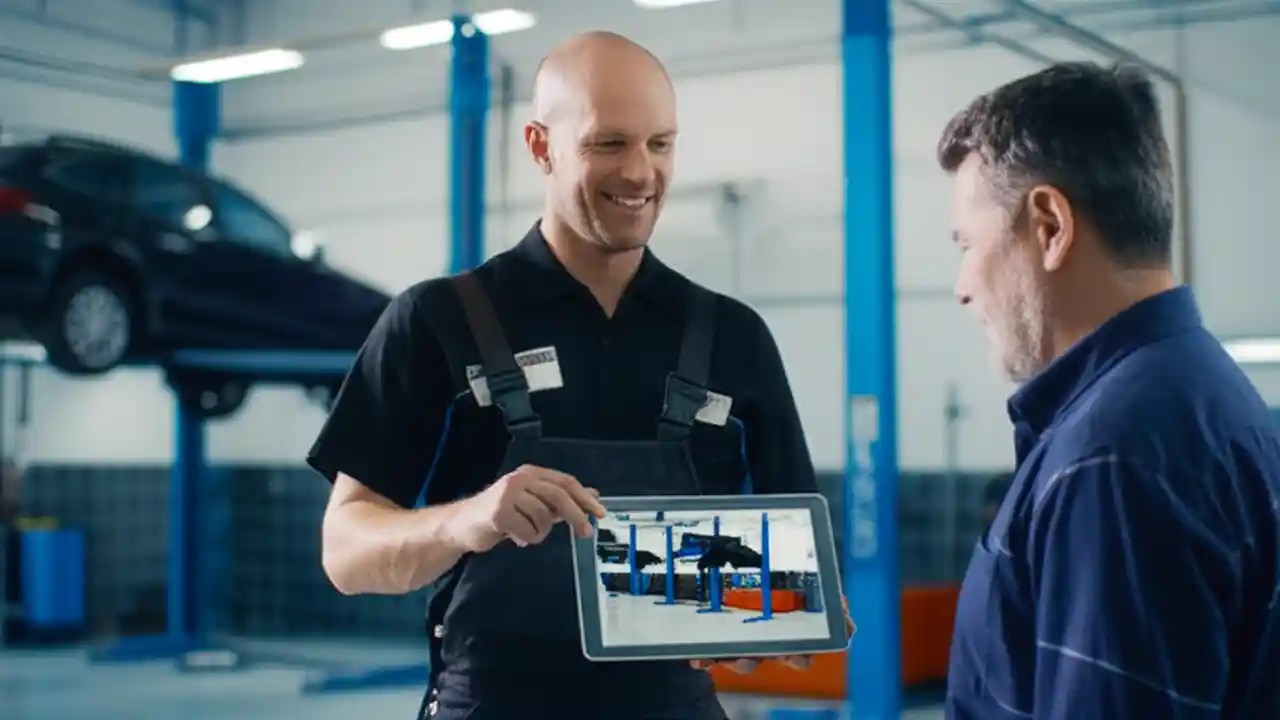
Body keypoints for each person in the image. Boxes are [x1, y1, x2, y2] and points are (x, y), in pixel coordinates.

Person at [307, 31, 844, 720]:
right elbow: (345, 553)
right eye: (609, 144)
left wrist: (774, 620)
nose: (641, 173)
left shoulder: (732, 337)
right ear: (541, 145)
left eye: (661, 143)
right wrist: (466, 521)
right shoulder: (437, 321)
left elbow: (779, 582)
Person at [937, 61, 1280, 719]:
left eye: (966, 244)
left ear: (1050, 227)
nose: (962, 286)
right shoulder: (1197, 391)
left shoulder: (1114, 455)